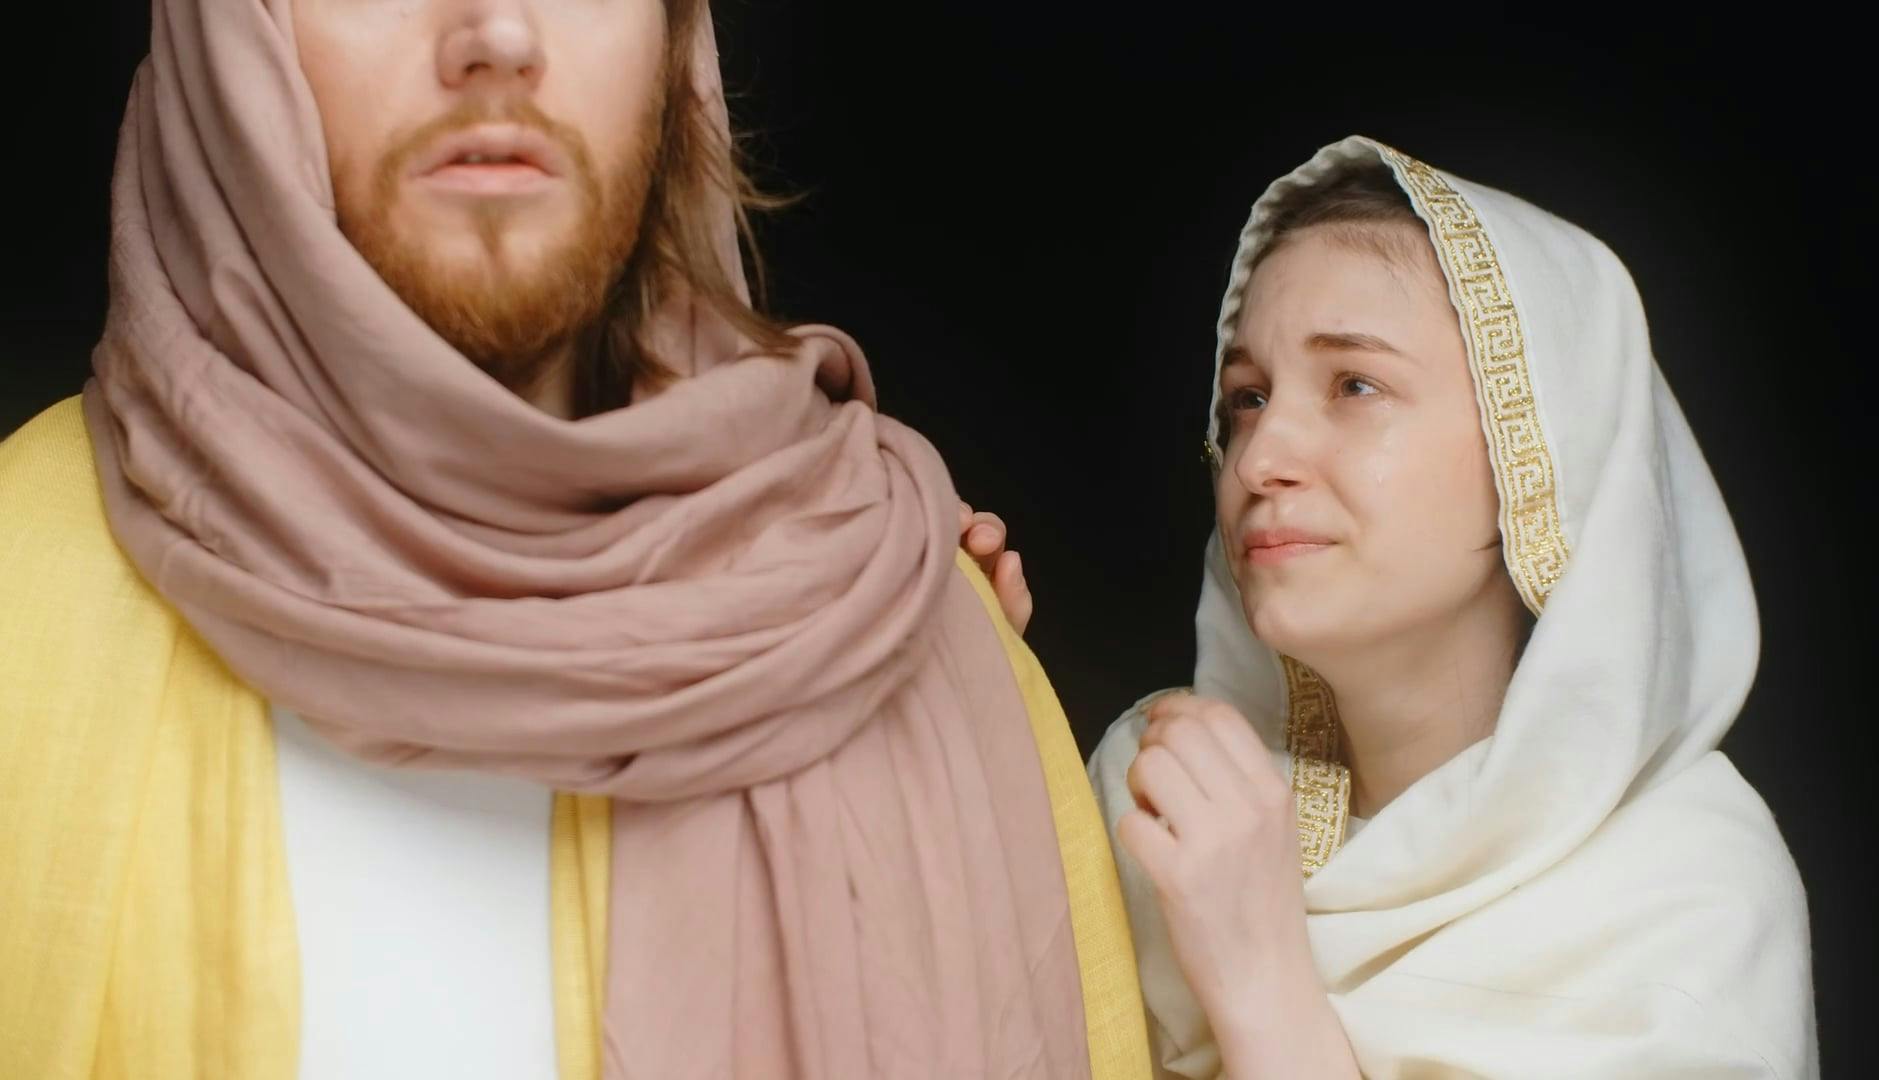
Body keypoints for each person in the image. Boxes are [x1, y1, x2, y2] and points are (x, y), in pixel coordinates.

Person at [0, 1, 1150, 1077]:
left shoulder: (902, 624)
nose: (496, 34)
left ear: (673, 46)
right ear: (223, 41)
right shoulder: (20, 590)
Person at [1088, 136, 1817, 1078]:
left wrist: (1262, 980)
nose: (1260, 459)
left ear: (1539, 455)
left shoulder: (1684, 894)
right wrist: (954, 665)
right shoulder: (1159, 786)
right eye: (1247, 399)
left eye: (1355, 385)